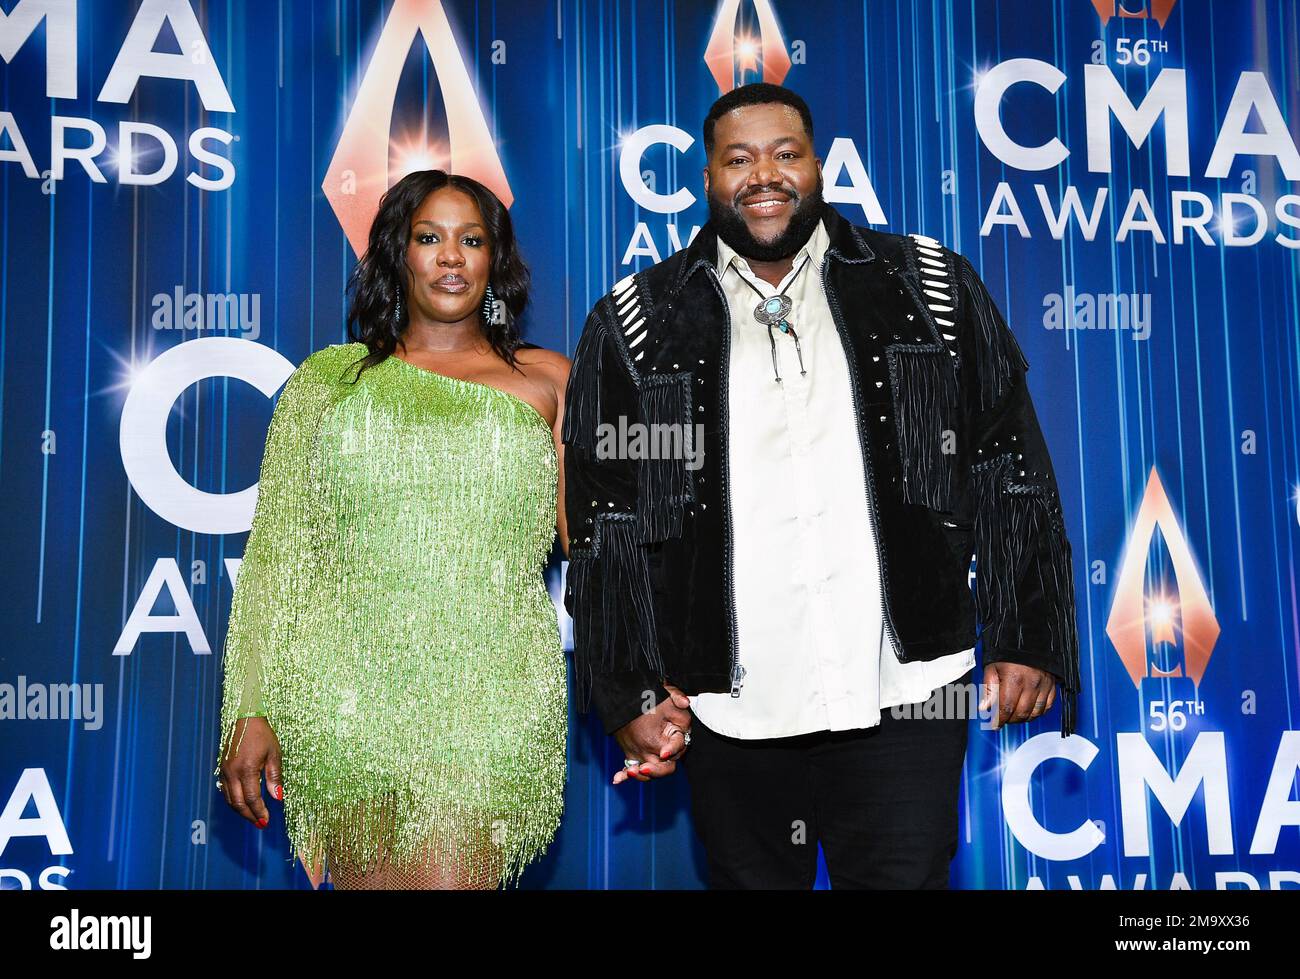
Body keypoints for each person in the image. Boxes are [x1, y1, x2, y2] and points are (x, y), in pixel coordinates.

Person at [562, 83, 1081, 888]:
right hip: (730, 705)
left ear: (819, 167)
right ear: (706, 178)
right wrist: (627, 680)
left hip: (909, 695)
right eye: (739, 158)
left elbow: (1006, 464)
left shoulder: (930, 286)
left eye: (784, 154)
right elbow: (604, 520)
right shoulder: (636, 320)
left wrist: (1027, 633)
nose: (763, 175)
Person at [215, 169, 571, 890]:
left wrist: (647, 683)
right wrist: (249, 707)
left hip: (491, 694)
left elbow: (596, 547)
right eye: (428, 238)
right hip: (345, 697)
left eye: (471, 240)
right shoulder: (329, 383)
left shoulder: (549, 380)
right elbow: (279, 557)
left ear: (493, 261)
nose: (450, 257)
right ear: (396, 255)